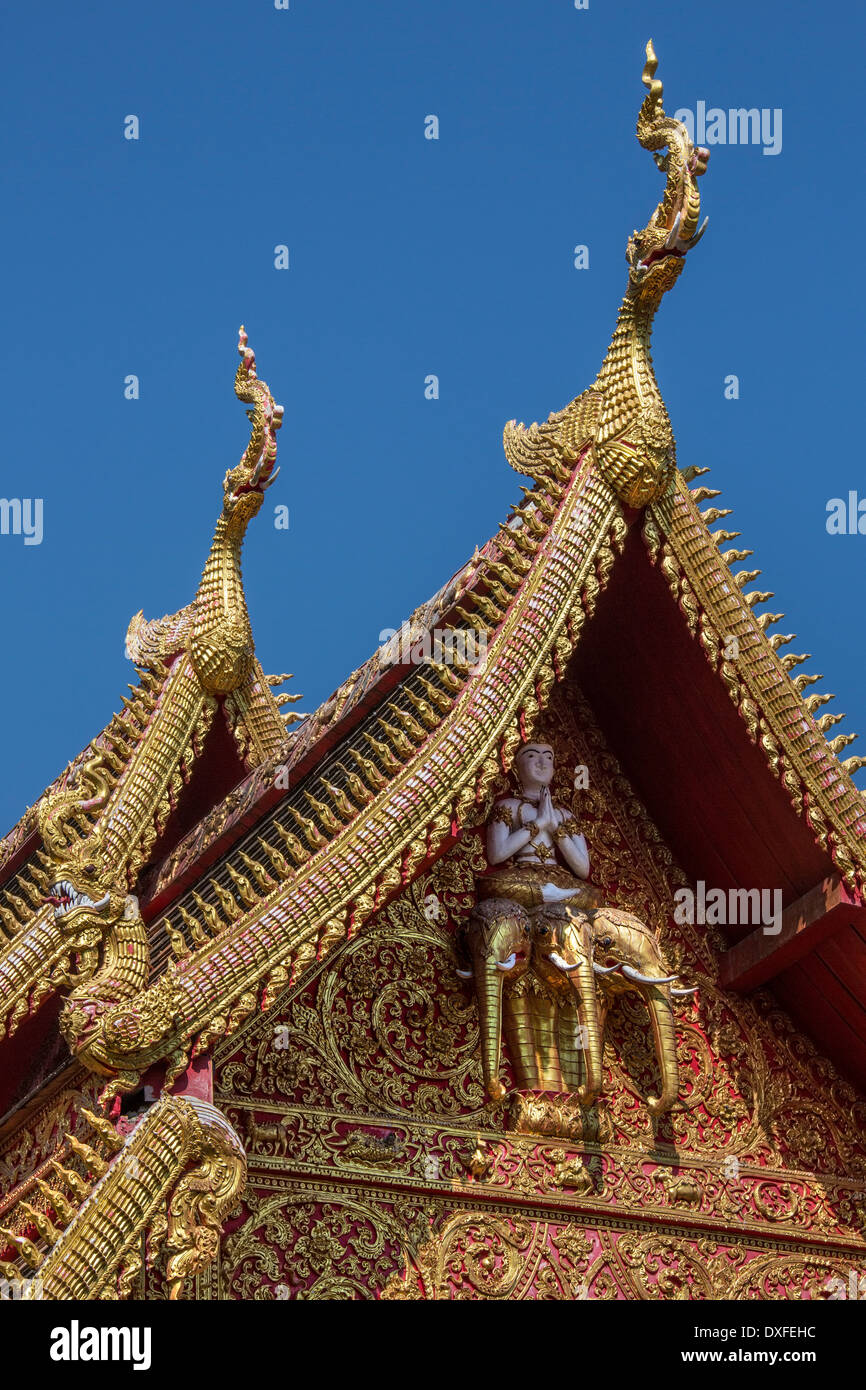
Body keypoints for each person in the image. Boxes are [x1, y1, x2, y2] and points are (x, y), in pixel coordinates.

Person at [481, 741, 600, 910]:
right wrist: (540, 822)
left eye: (548, 758)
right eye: (532, 755)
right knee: (492, 886)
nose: (542, 763)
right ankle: (546, 894)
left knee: (593, 897)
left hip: (558, 878)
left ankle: (547, 894)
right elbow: (496, 855)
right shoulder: (509, 806)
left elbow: (583, 870)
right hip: (522, 875)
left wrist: (554, 827)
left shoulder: (565, 815)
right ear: (516, 769)